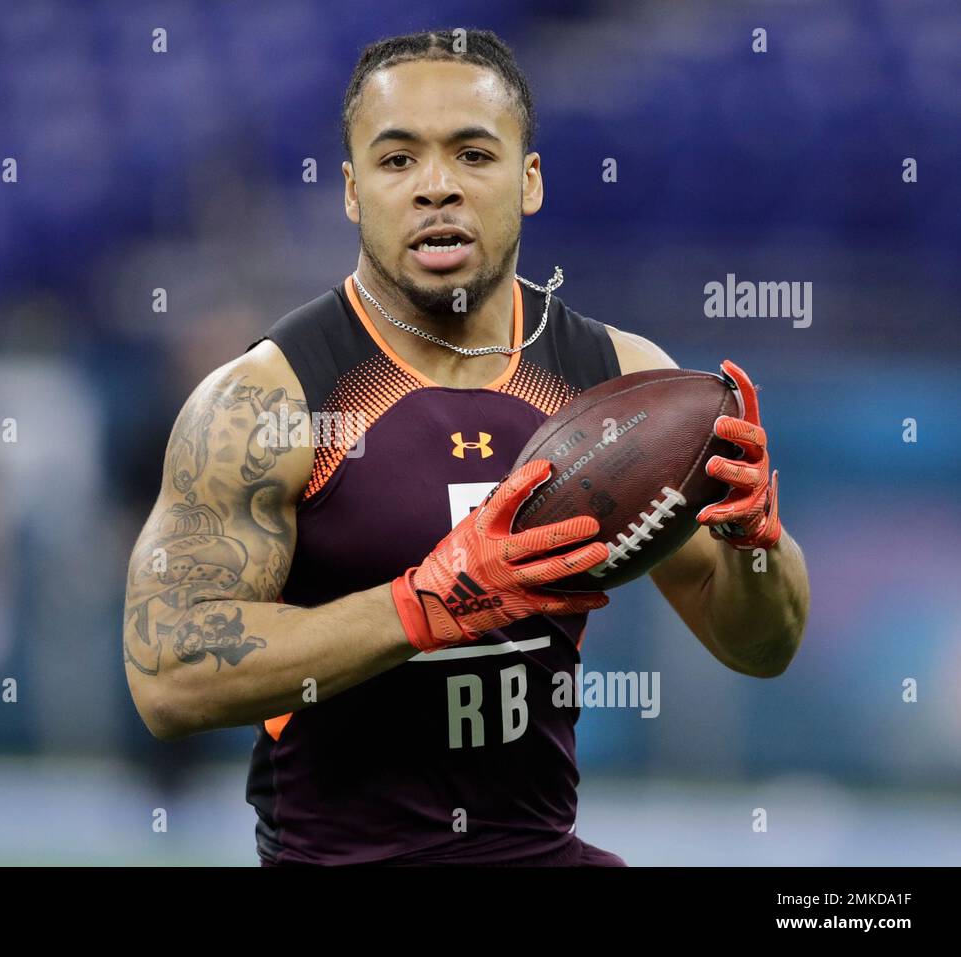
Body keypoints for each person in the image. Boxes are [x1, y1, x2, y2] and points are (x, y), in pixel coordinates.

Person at [122, 30, 809, 866]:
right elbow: (168, 675)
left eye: (472, 154)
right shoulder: (266, 401)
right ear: (351, 191)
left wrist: (755, 543)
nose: (436, 187)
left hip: (539, 849)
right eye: (397, 160)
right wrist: (427, 603)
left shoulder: (617, 380)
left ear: (529, 182)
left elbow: (762, 647)